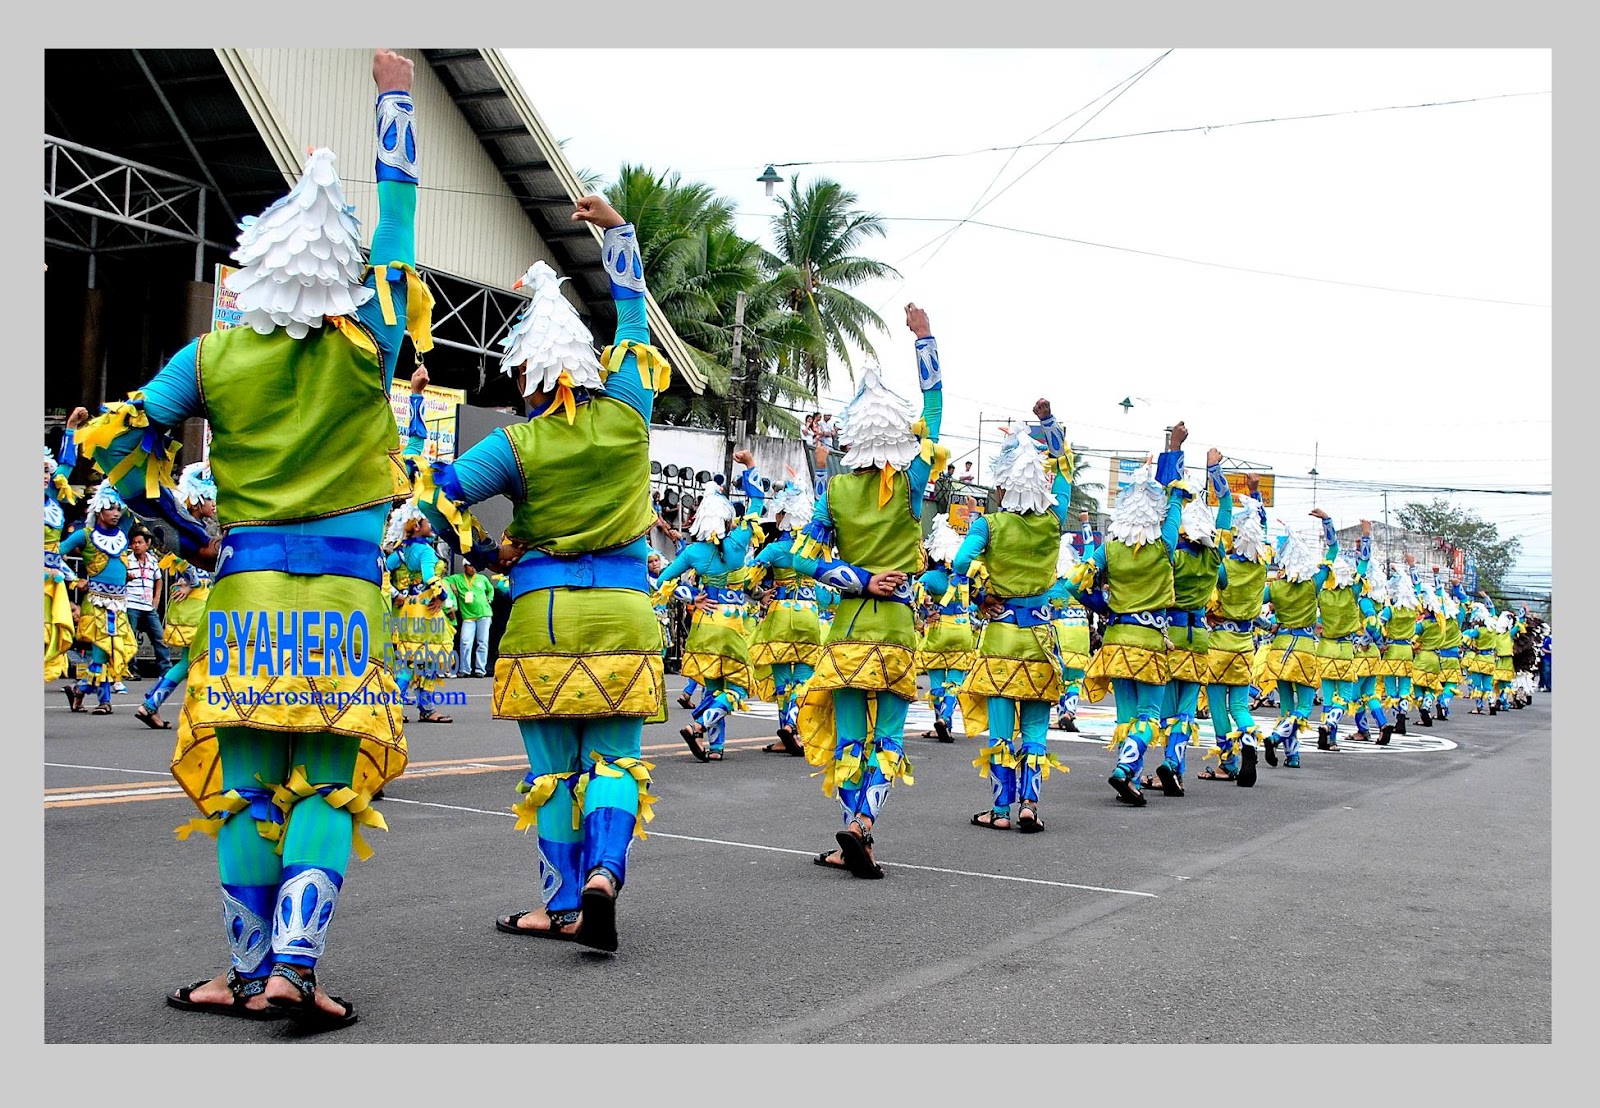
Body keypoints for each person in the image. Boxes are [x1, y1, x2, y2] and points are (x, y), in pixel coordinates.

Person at [75, 49, 426, 1030]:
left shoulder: (209, 354)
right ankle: (294, 972)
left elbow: (113, 460)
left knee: (247, 789)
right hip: (344, 609)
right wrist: (392, 102)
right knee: (325, 778)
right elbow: (397, 229)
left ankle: (240, 970)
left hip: (242, 601)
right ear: (340, 272)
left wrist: (187, 534)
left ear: (260, 263)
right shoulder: (371, 347)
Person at [420, 192, 672, 953]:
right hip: (625, 613)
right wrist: (617, 229)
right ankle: (605, 875)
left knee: (555, 773)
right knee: (615, 760)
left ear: (532, 375)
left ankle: (562, 905)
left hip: (540, 617)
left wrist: (480, 553)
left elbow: (435, 500)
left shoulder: (516, 445)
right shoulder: (629, 412)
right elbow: (634, 318)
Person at [794, 303, 944, 878]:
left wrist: (856, 579)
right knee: (886, 740)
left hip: (848, 631)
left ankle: (850, 831)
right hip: (898, 632)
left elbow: (799, 559)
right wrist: (925, 340)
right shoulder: (910, 485)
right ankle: (862, 827)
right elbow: (932, 412)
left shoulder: (833, 493)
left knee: (850, 739)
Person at [951, 427, 1073, 832]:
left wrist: (982, 593)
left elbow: (959, 564)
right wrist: (1051, 426)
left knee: (1001, 730)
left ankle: (1000, 811)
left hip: (1001, 639)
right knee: (1036, 729)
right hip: (1041, 640)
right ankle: (1030, 806)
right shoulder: (1053, 522)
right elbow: (1066, 474)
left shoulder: (989, 524)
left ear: (1003, 487)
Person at [1080, 423, 1187, 805]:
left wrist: (1105, 606)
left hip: (1115, 639)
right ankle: (1126, 769)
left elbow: (1079, 584)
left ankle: (1134, 778)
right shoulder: (1164, 545)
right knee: (1150, 715)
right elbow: (1175, 501)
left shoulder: (1108, 549)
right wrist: (1174, 451)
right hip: (1150, 641)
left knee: (1127, 714)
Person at [653, 456, 766, 762]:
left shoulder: (693, 552)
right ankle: (700, 724)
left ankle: (715, 747)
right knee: (739, 687)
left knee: (713, 684)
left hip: (703, 623)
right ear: (726, 519)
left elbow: (660, 579)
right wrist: (750, 466)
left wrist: (691, 596)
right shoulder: (738, 542)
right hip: (731, 625)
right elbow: (756, 503)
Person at [1147, 443, 1232, 794]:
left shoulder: (1174, 557)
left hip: (1170, 635)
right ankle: (1174, 766)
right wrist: (1214, 471)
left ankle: (1170, 763)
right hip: (1199, 639)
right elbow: (1225, 512)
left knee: (1167, 709)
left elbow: (1166, 512)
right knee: (1186, 711)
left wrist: (1174, 451)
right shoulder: (1214, 561)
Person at [135, 463, 218, 730]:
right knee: (196, 658)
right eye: (210, 498)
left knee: (195, 659)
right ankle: (156, 705)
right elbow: (183, 560)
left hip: (197, 601)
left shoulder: (196, 528)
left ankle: (153, 703)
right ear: (197, 499)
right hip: (195, 603)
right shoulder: (192, 531)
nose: (214, 504)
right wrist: (191, 580)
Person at [1200, 481, 1271, 785]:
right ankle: (1250, 743)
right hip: (1245, 644)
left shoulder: (1224, 568)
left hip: (1219, 645)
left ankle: (1226, 763)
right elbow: (1258, 523)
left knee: (1218, 707)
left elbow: (1216, 541)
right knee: (1240, 706)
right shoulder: (1261, 570)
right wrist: (1254, 496)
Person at [746, 478, 824, 756]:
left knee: (782, 682)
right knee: (803, 677)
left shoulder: (775, 549)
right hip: (809, 616)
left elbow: (747, 579)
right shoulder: (814, 548)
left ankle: (786, 729)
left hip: (780, 616)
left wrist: (760, 595)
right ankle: (794, 729)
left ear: (784, 516)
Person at [57, 481, 138, 713]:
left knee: (110, 652)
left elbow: (135, 505)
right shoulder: (85, 535)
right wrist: (73, 579)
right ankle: (103, 701)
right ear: (99, 510)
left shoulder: (123, 532)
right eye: (110, 508)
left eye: (117, 508)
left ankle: (79, 691)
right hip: (96, 603)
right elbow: (55, 554)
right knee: (103, 651)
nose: (116, 513)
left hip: (120, 604)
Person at [383, 504, 456, 721]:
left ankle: (395, 707)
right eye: (427, 521)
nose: (431, 524)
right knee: (428, 659)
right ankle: (427, 709)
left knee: (408, 660)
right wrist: (443, 598)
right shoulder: (424, 551)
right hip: (425, 612)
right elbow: (429, 578)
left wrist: (397, 593)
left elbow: (384, 571)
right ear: (416, 525)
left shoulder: (401, 551)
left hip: (407, 610)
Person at [915, 511, 975, 743]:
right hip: (962, 630)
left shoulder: (931, 577)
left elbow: (916, 595)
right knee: (956, 681)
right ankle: (946, 720)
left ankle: (942, 720)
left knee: (937, 681)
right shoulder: (965, 577)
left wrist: (926, 611)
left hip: (939, 630)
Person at [1311, 518, 1370, 752]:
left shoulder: (1322, 594)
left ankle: (1329, 738)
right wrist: (1366, 536)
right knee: (1344, 697)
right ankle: (1332, 724)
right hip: (1345, 650)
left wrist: (1328, 524)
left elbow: (1329, 555)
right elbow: (1364, 562)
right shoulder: (1353, 593)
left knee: (1327, 697)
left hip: (1325, 649)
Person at [45, 407, 89, 682]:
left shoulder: (51, 498)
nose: (45, 475)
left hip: (52, 575)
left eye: (46, 471)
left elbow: (67, 464)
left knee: (53, 628)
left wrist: (71, 427)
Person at [124, 526, 170, 680]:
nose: (136, 545)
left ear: (147, 543)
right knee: (130, 638)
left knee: (159, 637)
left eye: (139, 542)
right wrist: (126, 578)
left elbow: (159, 579)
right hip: (131, 603)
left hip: (148, 605)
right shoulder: (126, 560)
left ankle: (165, 670)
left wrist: (156, 599)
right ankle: (131, 669)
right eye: (134, 543)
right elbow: (118, 579)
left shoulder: (152, 560)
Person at [1539, 624, 1552, 692]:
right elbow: (1543, 648)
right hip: (1547, 659)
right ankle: (1548, 686)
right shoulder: (1548, 639)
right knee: (1546, 672)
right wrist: (1549, 652)